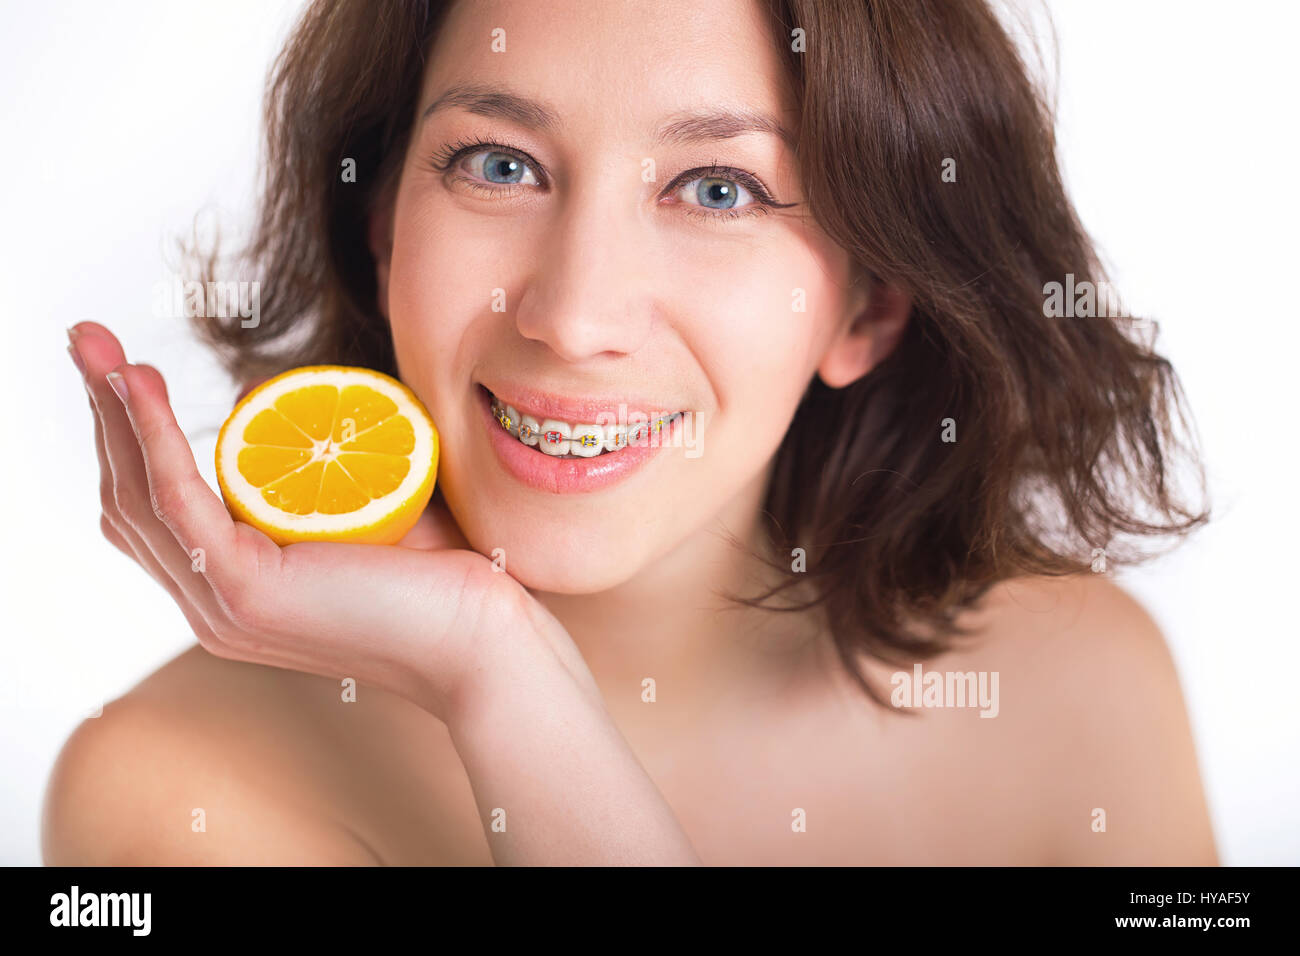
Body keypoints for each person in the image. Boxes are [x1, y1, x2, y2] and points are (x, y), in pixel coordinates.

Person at [44, 0, 1217, 865]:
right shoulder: (170, 789)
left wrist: (514, 689)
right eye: (498, 165)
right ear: (383, 232)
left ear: (869, 303)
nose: (573, 314)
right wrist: (493, 665)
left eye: (717, 188)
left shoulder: (1084, 682)